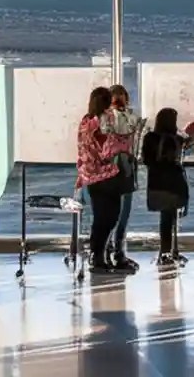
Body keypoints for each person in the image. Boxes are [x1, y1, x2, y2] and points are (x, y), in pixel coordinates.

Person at [77, 86, 134, 274]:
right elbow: (108, 149)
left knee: (100, 218)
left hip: (90, 177)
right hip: (106, 176)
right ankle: (98, 257)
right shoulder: (103, 122)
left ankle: (98, 256)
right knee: (110, 217)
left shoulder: (85, 122)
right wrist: (125, 142)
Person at [141, 108, 194, 267]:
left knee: (166, 218)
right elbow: (188, 149)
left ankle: (166, 251)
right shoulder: (176, 139)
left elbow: (146, 159)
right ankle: (168, 251)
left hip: (156, 182)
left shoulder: (150, 138)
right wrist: (192, 132)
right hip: (175, 183)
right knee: (170, 217)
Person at [100, 84, 142, 272]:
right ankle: (112, 252)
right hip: (116, 170)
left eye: (121, 97)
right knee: (114, 214)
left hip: (124, 169)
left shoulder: (129, 118)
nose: (119, 101)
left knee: (120, 214)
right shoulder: (108, 118)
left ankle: (116, 252)